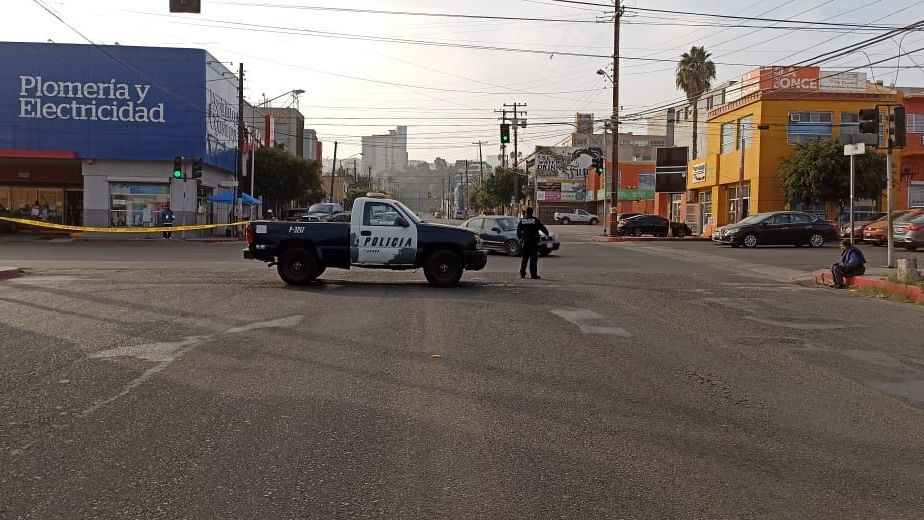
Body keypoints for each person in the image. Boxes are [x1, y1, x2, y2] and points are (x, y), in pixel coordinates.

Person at [517, 206, 549, 280]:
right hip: (534, 243)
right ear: (532, 212)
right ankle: (533, 275)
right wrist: (546, 233)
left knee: (525, 258)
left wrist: (521, 238)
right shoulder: (535, 220)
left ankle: (522, 273)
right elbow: (542, 228)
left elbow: (518, 232)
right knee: (533, 259)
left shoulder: (522, 220)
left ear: (526, 212)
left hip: (526, 242)